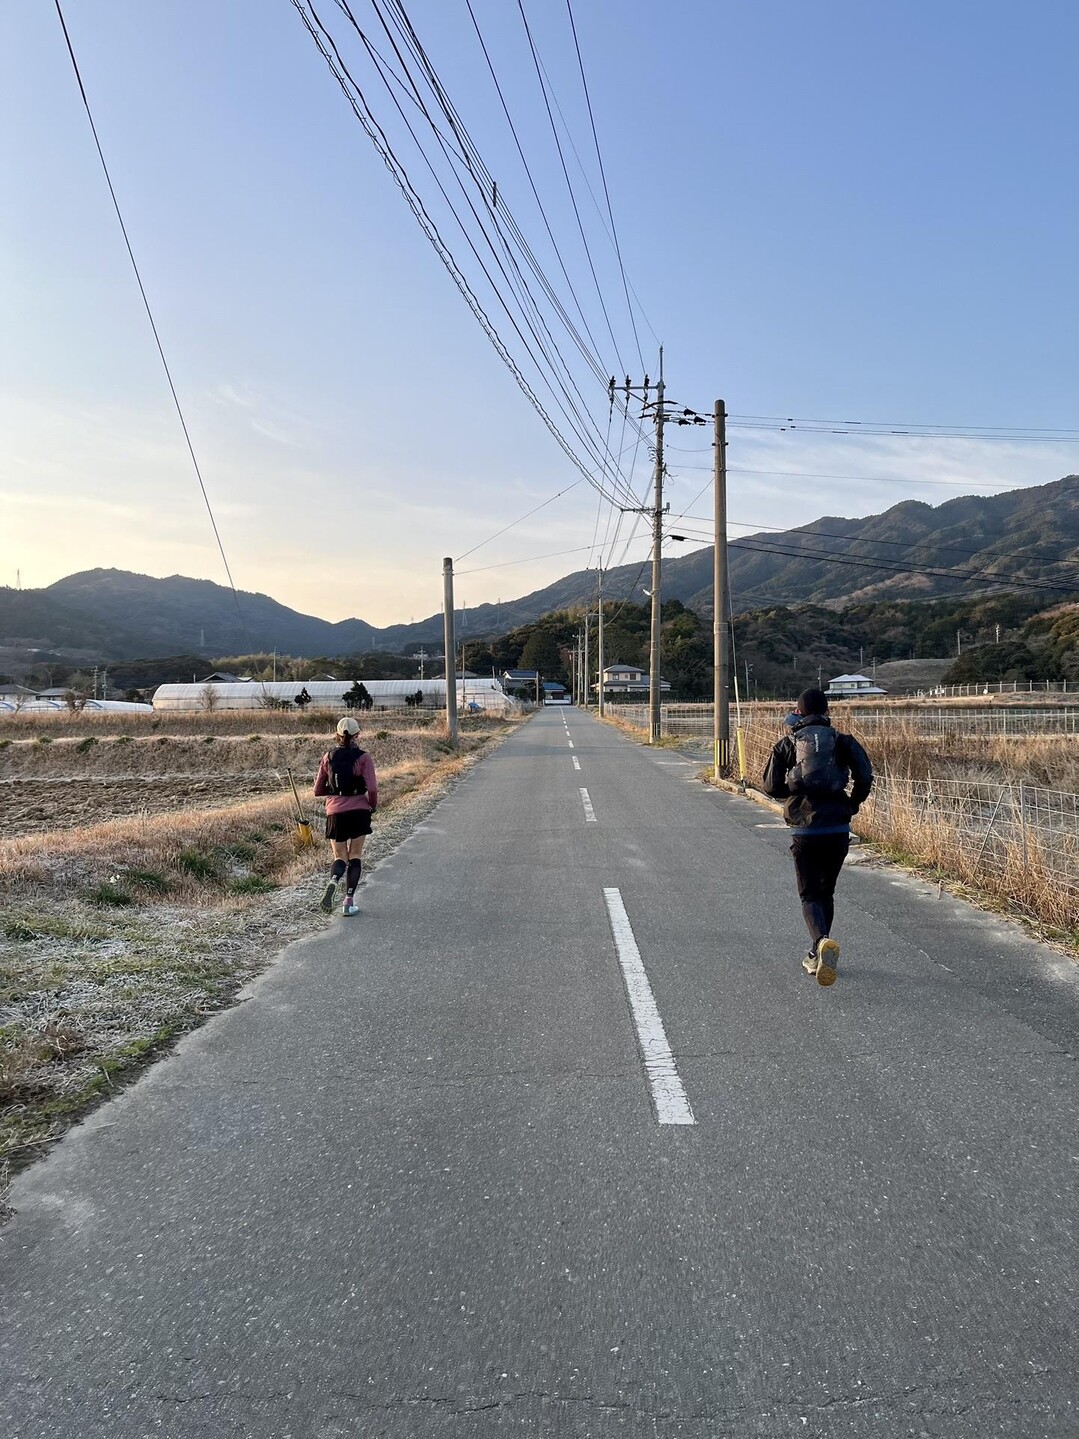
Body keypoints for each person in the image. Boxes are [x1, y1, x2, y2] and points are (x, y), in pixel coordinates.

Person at [762, 688, 873, 986]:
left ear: (798, 712)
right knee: (826, 892)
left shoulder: (787, 742)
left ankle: (821, 942)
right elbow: (865, 776)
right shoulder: (843, 741)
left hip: (804, 829)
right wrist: (852, 803)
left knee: (809, 894)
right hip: (837, 828)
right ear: (827, 711)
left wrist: (795, 793)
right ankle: (817, 951)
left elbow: (770, 786)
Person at [313, 716, 378, 917]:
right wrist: (371, 805)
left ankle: (334, 880)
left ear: (337, 735)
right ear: (358, 734)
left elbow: (317, 790)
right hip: (359, 811)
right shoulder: (364, 757)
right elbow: (373, 788)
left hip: (335, 813)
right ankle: (348, 902)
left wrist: (335, 793)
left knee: (340, 857)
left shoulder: (328, 757)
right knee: (355, 855)